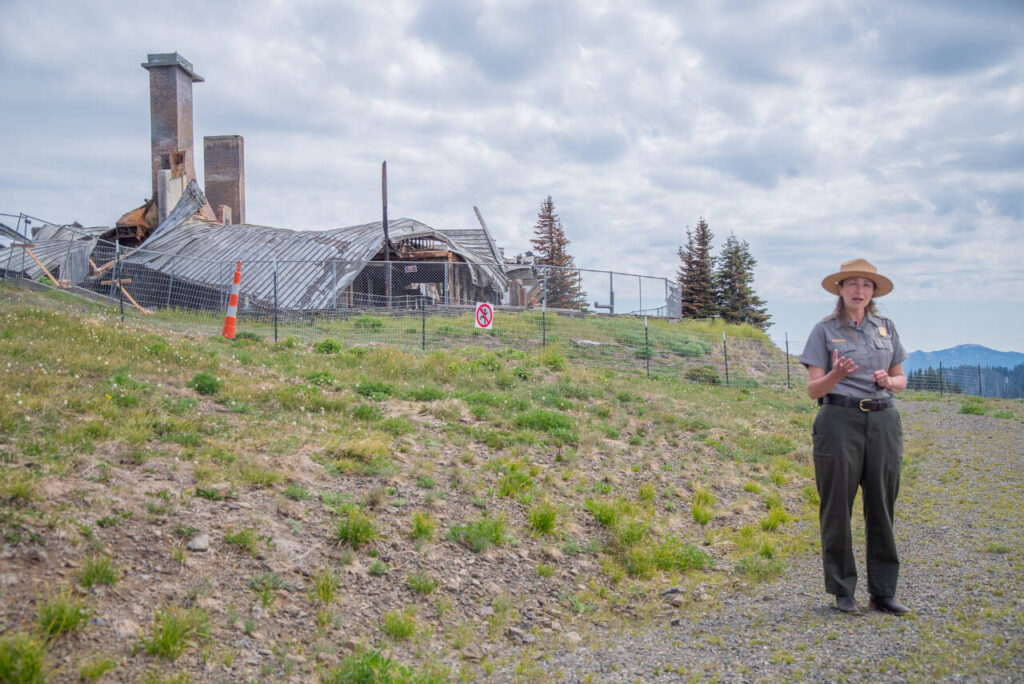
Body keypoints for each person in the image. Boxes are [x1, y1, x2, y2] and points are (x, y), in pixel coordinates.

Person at [800, 258, 910, 615]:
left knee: (882, 506)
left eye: (866, 285)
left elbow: (901, 379)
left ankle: (883, 592)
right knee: (837, 507)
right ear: (840, 290)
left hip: (883, 421)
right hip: (838, 421)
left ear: (873, 291)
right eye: (852, 284)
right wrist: (835, 375)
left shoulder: (886, 328)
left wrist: (888, 382)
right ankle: (843, 590)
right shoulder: (824, 330)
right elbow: (813, 389)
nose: (859, 290)